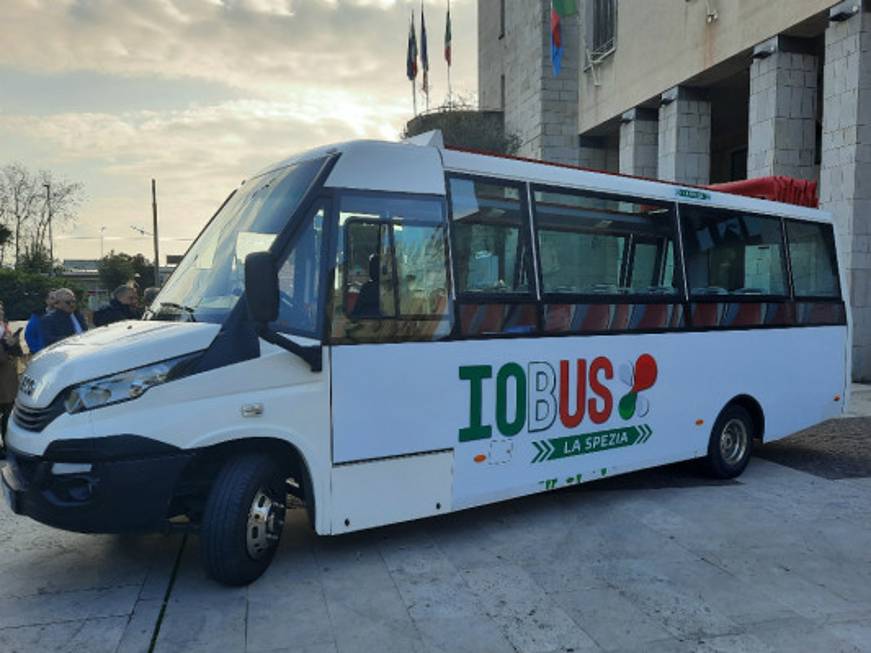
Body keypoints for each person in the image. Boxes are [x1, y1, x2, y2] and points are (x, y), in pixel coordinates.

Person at [0, 302, 23, 449]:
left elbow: (17, 351)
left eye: (2, 309)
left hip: (7, 375)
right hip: (3, 373)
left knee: (8, 411)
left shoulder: (4, 327)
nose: (1, 312)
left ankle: (8, 444)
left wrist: (13, 343)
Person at [24, 289, 56, 355]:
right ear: (46, 300)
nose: (55, 301)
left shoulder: (65, 315)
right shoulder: (38, 316)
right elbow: (29, 336)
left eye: (57, 299)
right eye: (52, 298)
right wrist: (40, 351)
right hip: (43, 354)